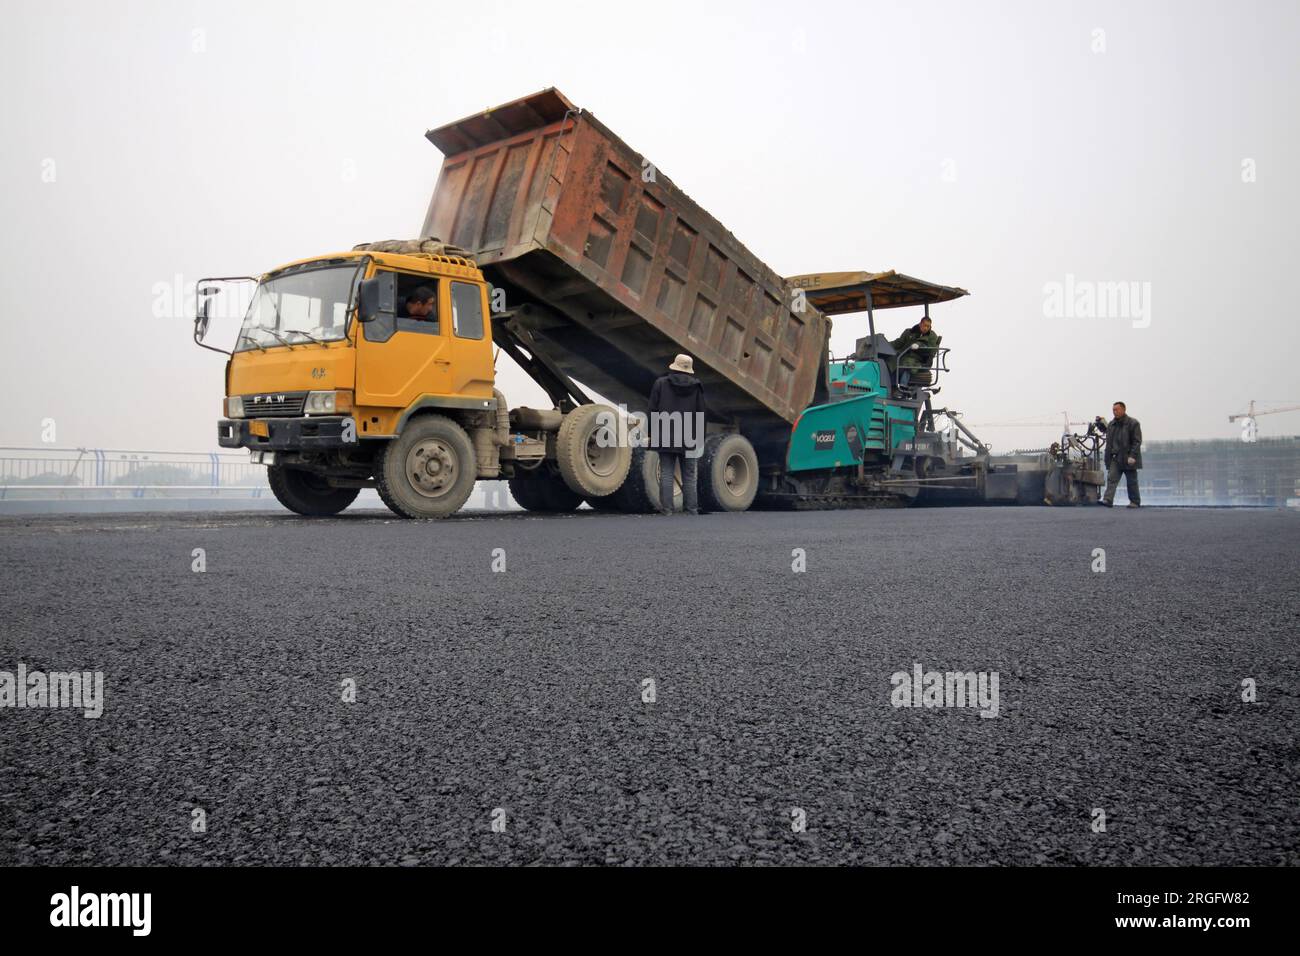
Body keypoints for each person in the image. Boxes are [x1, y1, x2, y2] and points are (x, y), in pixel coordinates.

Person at [647, 354, 706, 515]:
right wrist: (700, 439)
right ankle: (691, 509)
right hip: (690, 435)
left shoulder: (660, 383)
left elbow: (652, 410)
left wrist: (652, 433)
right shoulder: (697, 386)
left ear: (674, 366)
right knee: (689, 474)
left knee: (666, 472)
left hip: (665, 432)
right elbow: (701, 414)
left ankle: (667, 510)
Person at [1100, 401, 1143, 508]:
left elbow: (1137, 441)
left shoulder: (1133, 423)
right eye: (1113, 410)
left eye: (1117, 410)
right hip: (1116, 457)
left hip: (1128, 457)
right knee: (1111, 478)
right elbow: (1109, 442)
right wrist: (1108, 459)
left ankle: (1135, 502)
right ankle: (1108, 500)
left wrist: (1133, 456)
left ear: (1124, 410)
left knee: (1131, 481)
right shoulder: (1111, 425)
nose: (1115, 412)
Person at [890, 316, 941, 388]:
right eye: (924, 325)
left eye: (928, 326)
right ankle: (892, 386)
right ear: (920, 324)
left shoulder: (932, 336)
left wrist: (919, 346)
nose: (926, 328)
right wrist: (886, 344)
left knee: (908, 363)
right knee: (891, 361)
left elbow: (930, 349)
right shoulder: (909, 332)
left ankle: (903, 385)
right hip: (903, 355)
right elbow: (899, 342)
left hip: (920, 358)